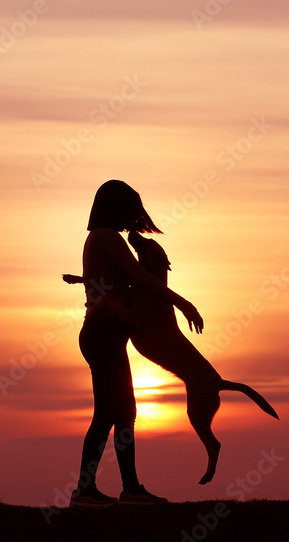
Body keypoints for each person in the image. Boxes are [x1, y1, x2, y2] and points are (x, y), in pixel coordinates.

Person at [68, 180, 204, 507]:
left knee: (120, 412)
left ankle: (118, 489)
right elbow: (140, 277)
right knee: (111, 414)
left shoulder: (98, 239)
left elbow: (114, 282)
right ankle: (95, 491)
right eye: (130, 212)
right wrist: (182, 302)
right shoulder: (106, 237)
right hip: (103, 334)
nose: (133, 220)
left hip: (107, 335)